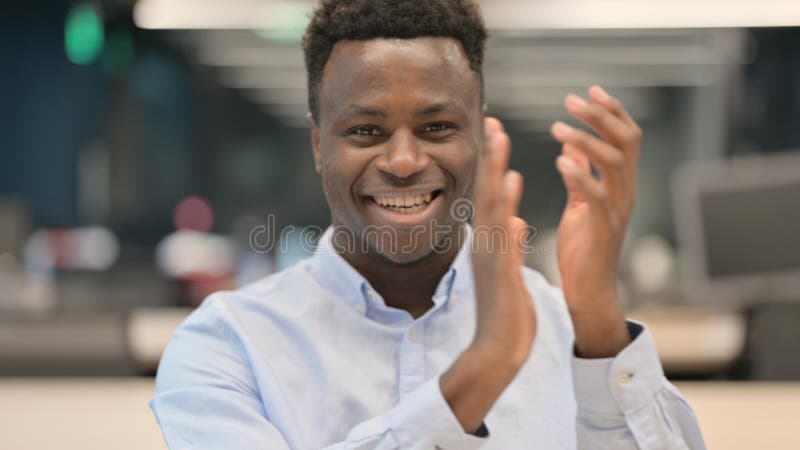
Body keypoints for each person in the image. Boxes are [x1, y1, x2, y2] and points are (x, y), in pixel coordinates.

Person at [150, 1, 706, 448]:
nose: (403, 161)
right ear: (319, 144)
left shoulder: (572, 334)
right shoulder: (227, 345)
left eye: (437, 127)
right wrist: (481, 370)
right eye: (365, 131)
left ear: (481, 140)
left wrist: (601, 325)